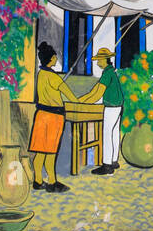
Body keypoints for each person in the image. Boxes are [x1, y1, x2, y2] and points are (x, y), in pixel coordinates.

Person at [30, 42, 104, 192]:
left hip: (41, 115)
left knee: (40, 151)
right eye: (55, 58)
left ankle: (38, 180)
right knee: (50, 152)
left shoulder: (41, 74)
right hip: (53, 116)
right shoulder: (53, 77)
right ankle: (52, 182)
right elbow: (70, 95)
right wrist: (82, 100)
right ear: (50, 59)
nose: (57, 60)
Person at [90, 48, 125, 176]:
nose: (98, 62)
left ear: (105, 60)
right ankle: (114, 161)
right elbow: (97, 90)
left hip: (112, 106)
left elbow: (98, 92)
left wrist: (84, 101)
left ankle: (107, 165)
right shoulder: (110, 72)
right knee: (114, 132)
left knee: (107, 133)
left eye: (99, 59)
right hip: (118, 105)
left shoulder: (107, 73)